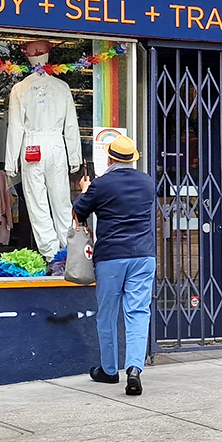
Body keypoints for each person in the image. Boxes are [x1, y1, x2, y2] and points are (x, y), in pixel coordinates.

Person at [73, 134, 156, 396]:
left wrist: (85, 189)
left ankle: (109, 370)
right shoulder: (147, 182)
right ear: (133, 159)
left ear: (110, 158)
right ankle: (134, 368)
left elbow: (79, 211)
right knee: (138, 312)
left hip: (111, 256)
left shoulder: (101, 185)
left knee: (107, 313)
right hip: (143, 256)